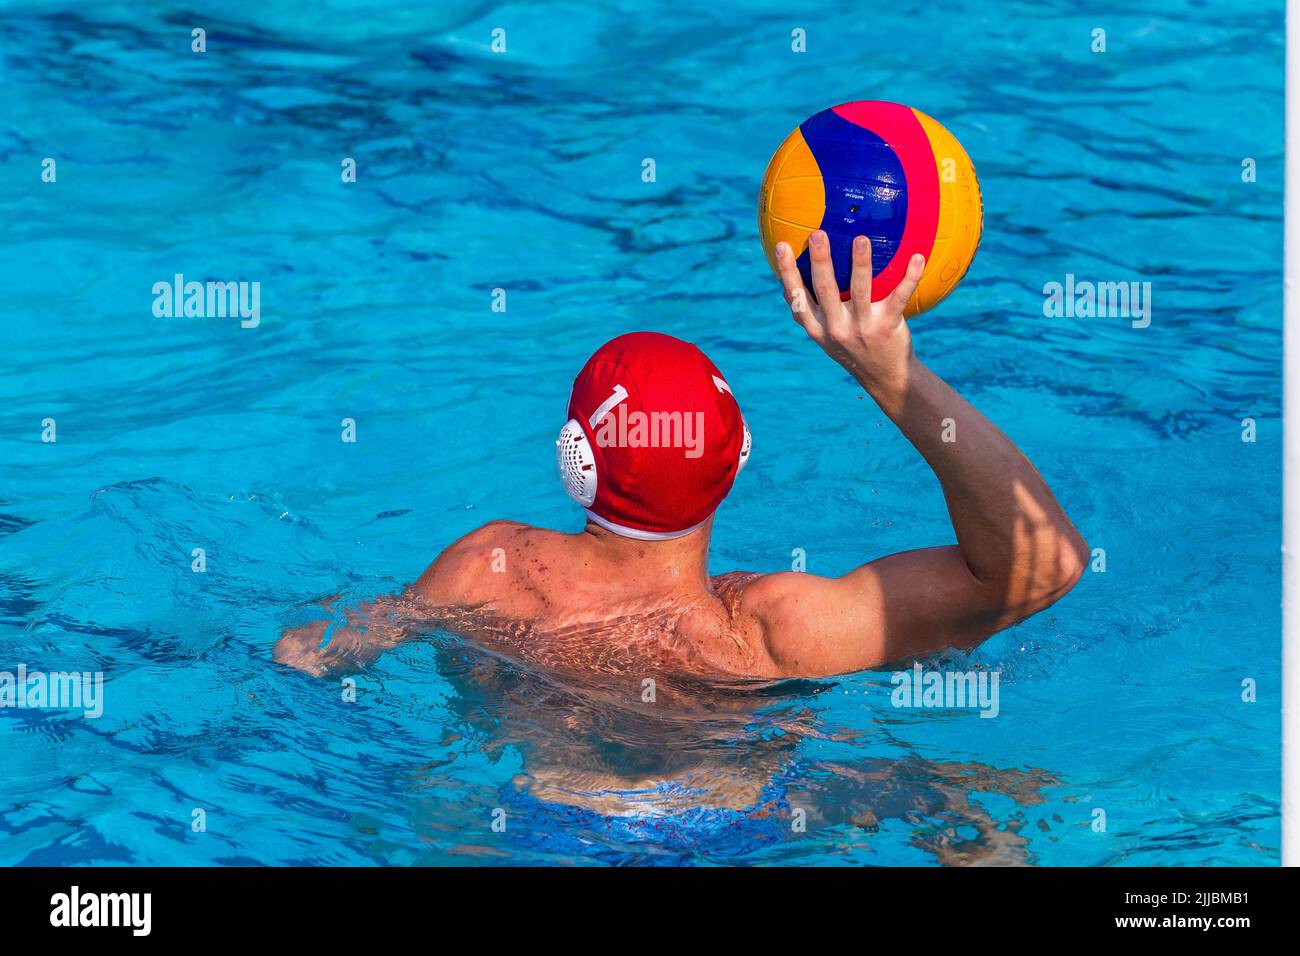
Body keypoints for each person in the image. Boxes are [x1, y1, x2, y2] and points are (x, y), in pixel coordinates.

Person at [274, 232, 1087, 679]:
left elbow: (319, 650)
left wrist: (317, 644)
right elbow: (1044, 568)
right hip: (740, 830)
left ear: (574, 460)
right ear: (735, 464)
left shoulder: (489, 570)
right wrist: (891, 374)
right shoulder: (770, 633)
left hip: (536, 823)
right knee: (970, 795)